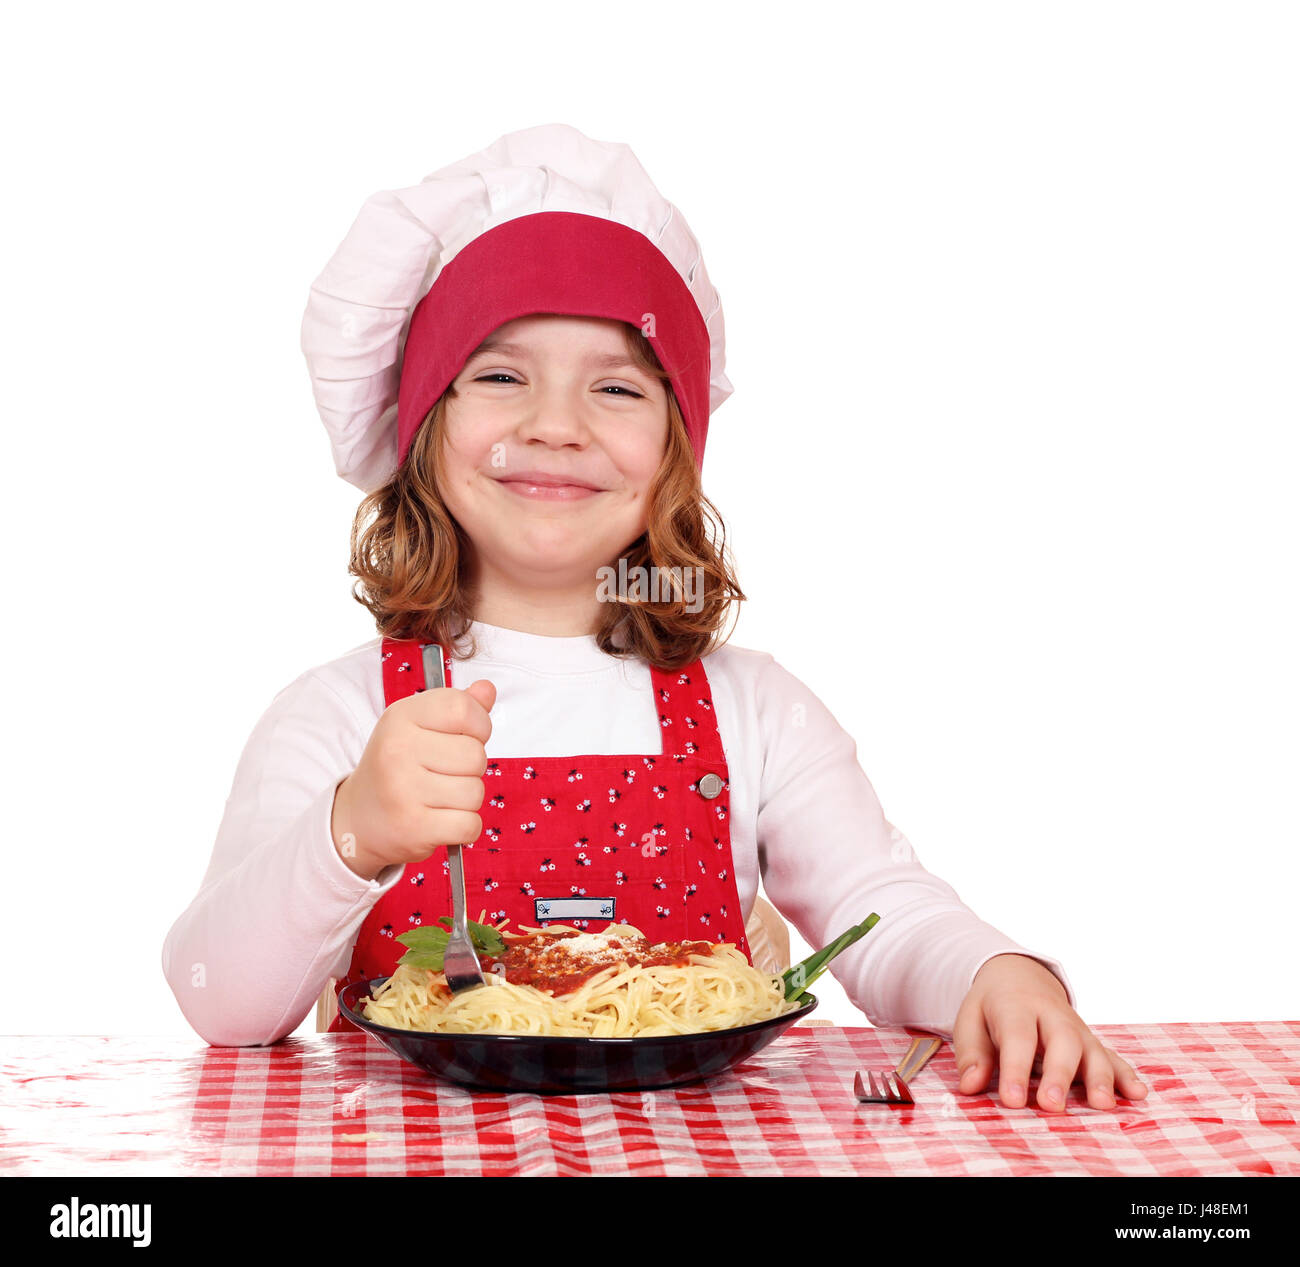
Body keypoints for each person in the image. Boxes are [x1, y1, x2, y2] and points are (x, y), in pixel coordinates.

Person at [162, 123, 1147, 1115]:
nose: (556, 423)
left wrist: (994, 970)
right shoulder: (336, 717)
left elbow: (877, 909)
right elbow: (222, 1003)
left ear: (674, 451)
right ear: (422, 425)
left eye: (618, 386)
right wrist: (352, 828)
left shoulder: (754, 708)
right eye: (500, 374)